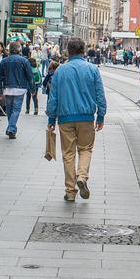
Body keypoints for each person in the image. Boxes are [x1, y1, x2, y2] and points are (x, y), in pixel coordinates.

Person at [47, 38, 107, 202]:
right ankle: (82, 176)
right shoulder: (92, 69)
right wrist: (100, 115)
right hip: (86, 117)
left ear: (68, 52)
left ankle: (70, 191)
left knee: (68, 154)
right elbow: (100, 95)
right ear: (84, 51)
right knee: (85, 149)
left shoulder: (60, 70)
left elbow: (54, 97)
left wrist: (51, 118)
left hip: (65, 118)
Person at [0, 42, 34, 139]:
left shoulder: (4, 61)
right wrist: (33, 89)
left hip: (7, 88)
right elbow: (30, 77)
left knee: (9, 110)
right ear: (19, 50)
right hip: (20, 89)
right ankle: (11, 129)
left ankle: (11, 128)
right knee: (16, 110)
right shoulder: (24, 61)